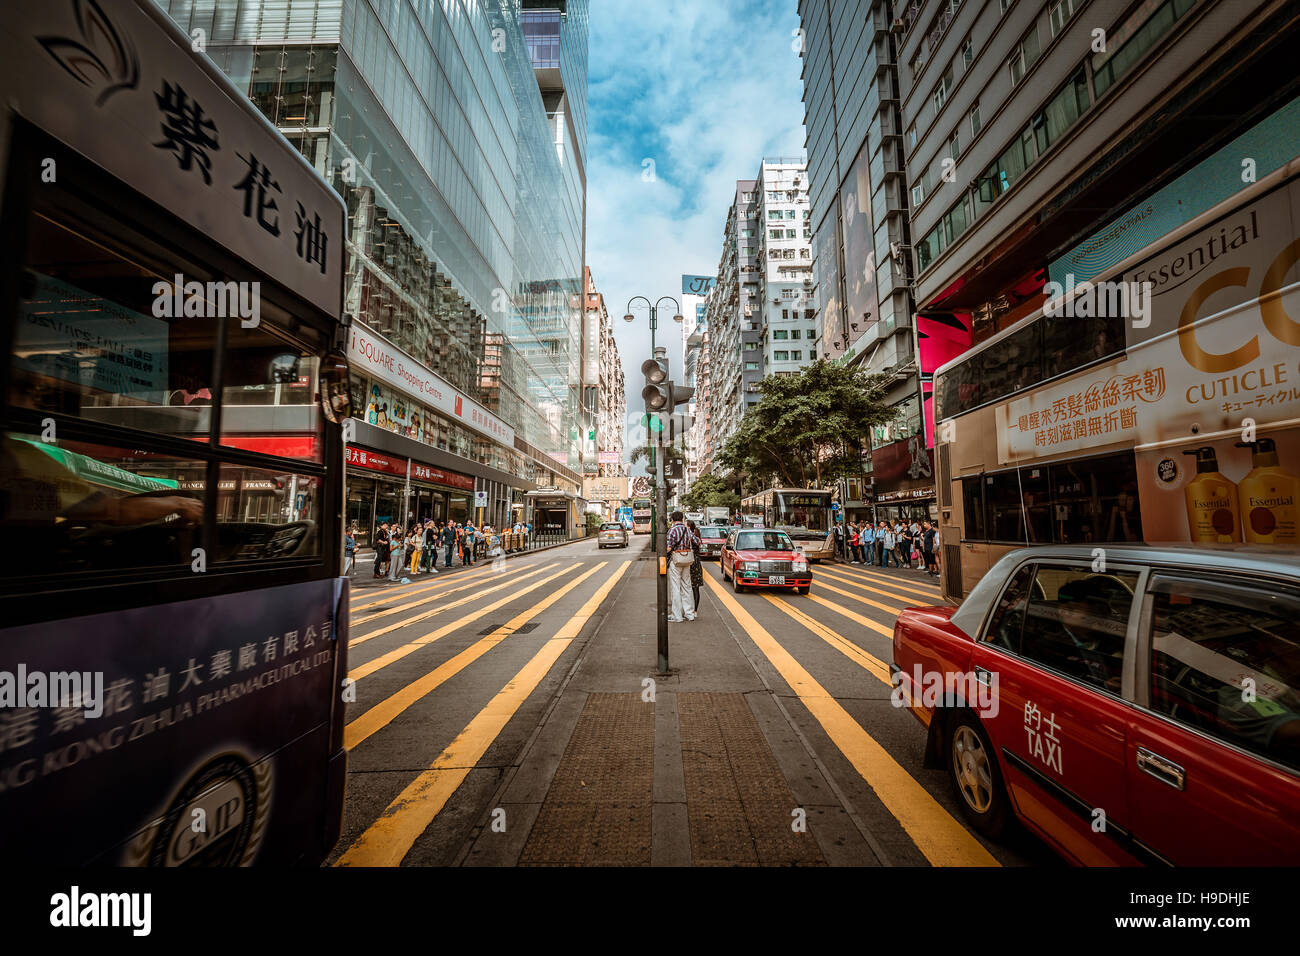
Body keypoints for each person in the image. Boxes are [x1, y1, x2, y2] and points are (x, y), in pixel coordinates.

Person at [665, 511, 700, 622]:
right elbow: (698, 542)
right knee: (687, 586)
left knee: (676, 587)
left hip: (676, 560)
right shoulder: (687, 530)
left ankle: (677, 616)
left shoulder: (672, 530)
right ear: (682, 519)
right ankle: (689, 614)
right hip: (687, 560)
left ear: (672, 520)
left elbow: (668, 548)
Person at [687, 519, 705, 610]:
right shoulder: (695, 534)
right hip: (696, 563)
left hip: (691, 562)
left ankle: (692, 609)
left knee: (691, 587)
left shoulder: (691, 535)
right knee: (695, 587)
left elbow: (698, 543)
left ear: (689, 527)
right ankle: (694, 610)